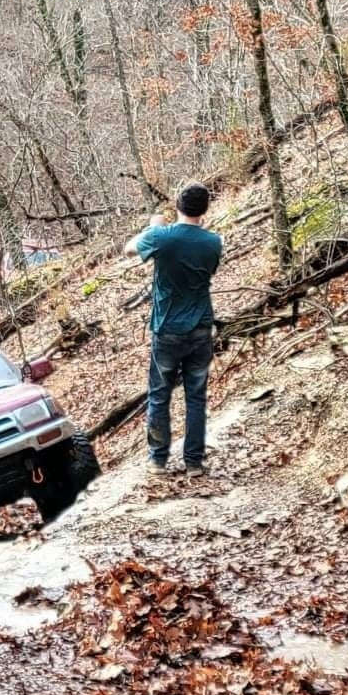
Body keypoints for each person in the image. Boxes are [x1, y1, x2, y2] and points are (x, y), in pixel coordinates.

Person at [124, 183, 221, 478]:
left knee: (159, 395)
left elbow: (128, 249)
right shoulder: (213, 242)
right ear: (204, 209)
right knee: (196, 396)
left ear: (177, 205)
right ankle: (194, 462)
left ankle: (157, 459)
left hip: (166, 329)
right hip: (201, 327)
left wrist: (152, 226)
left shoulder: (161, 236)